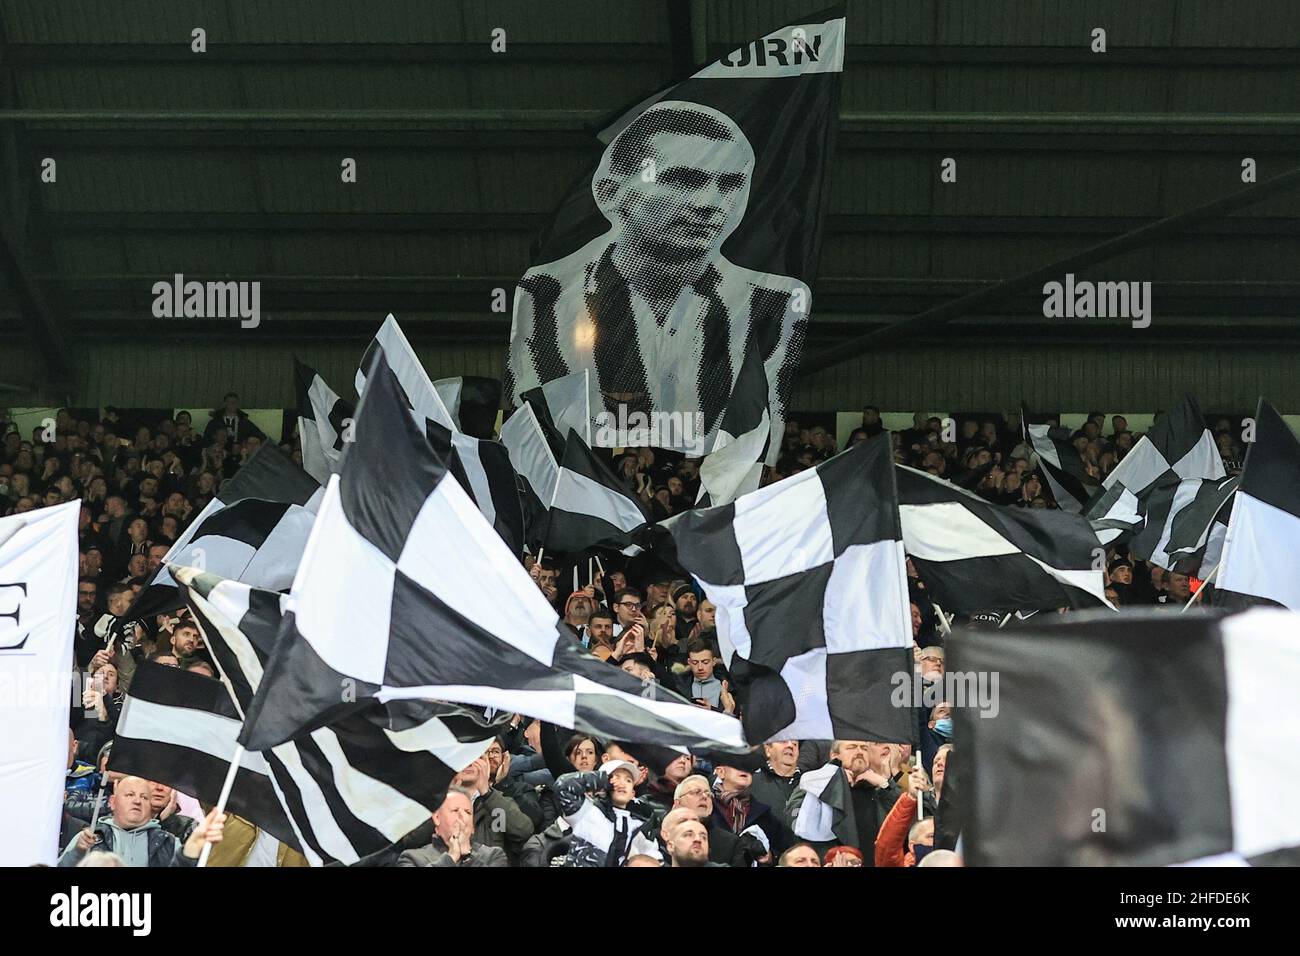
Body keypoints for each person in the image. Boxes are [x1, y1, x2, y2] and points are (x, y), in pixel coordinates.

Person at [508, 100, 808, 448]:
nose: (710, 202)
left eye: (730, 184)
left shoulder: (775, 305)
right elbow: (533, 433)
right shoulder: (545, 295)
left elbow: (759, 436)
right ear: (610, 191)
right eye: (683, 180)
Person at [58, 776, 226, 867]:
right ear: (112, 802)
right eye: (130, 795)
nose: (137, 801)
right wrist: (77, 852)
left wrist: (190, 852)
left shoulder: (168, 842)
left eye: (144, 797)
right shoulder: (89, 838)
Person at [787, 740, 902, 863]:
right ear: (834, 755)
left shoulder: (878, 788)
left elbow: (903, 819)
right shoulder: (815, 783)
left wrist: (884, 784)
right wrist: (836, 782)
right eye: (851, 747)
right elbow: (795, 820)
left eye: (864, 748)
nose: (859, 752)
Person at [397, 787, 508, 868]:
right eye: (455, 810)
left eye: (468, 812)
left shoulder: (493, 855)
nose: (462, 816)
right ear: (436, 818)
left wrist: (469, 857)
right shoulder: (412, 858)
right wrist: (450, 858)